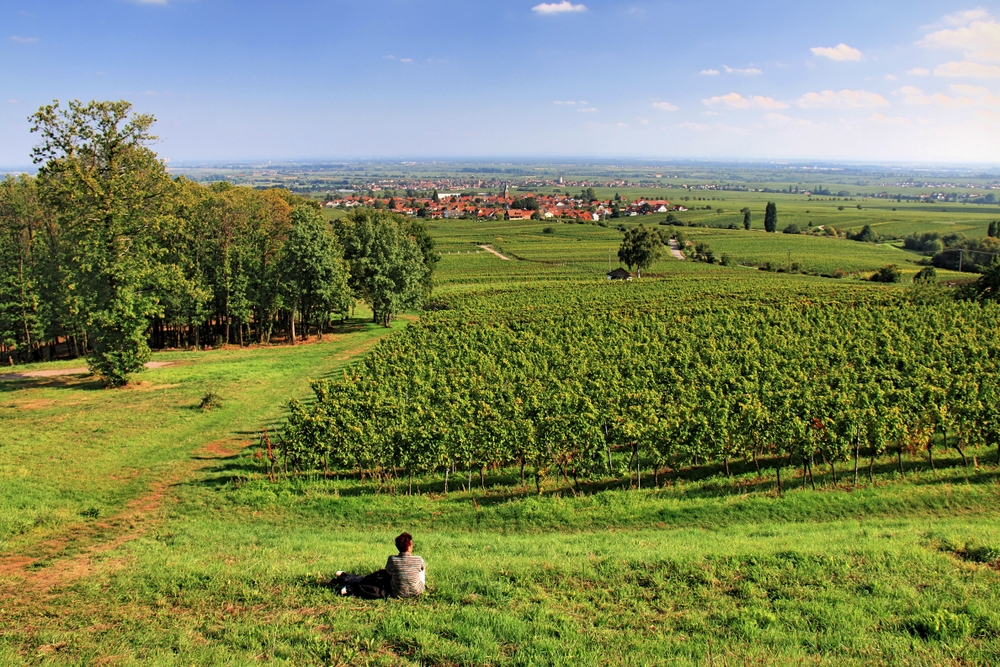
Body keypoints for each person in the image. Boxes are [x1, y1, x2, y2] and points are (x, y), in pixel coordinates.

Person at [332, 532, 426, 599]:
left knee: (380, 575)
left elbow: (388, 573)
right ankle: (346, 579)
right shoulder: (418, 559)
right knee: (421, 569)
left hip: (396, 591)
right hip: (417, 591)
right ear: (410, 544)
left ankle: (346, 578)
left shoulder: (392, 560)